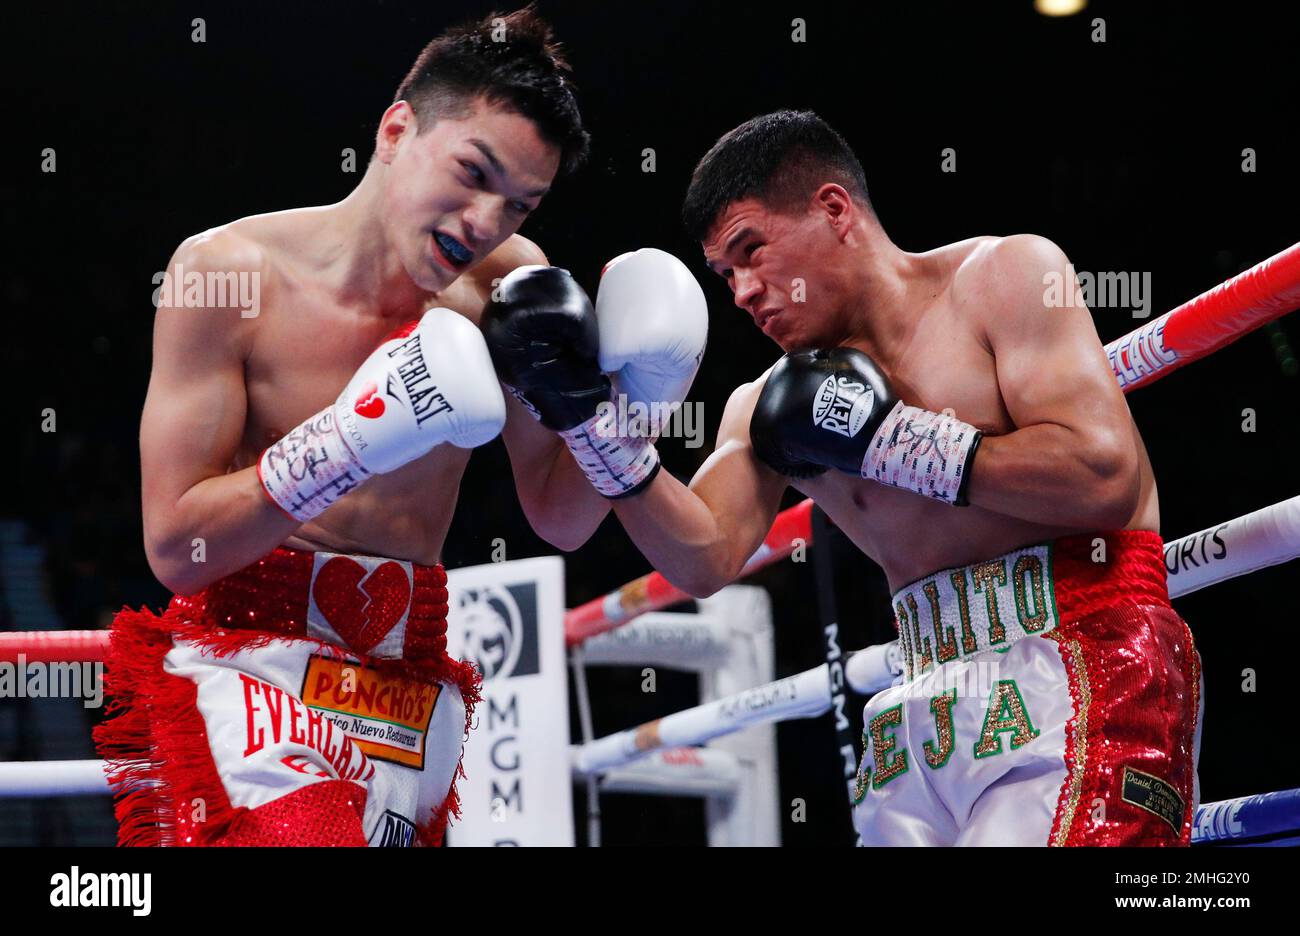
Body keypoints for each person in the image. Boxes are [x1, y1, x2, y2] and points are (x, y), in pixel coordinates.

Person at [509, 110, 1202, 845]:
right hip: (921, 706)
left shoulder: (1003, 276)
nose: (742, 291)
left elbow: (1102, 478)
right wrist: (594, 427)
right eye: (725, 274)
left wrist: (889, 441)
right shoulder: (764, 404)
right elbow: (704, 558)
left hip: (1081, 651)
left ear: (834, 209)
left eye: (752, 251)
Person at [95, 7, 606, 847]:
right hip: (252, 661)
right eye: (473, 173)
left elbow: (562, 516)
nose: (486, 222)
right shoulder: (227, 275)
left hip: (407, 685)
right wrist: (348, 438)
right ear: (397, 129)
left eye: (519, 205)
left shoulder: (509, 283)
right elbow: (174, 545)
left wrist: (627, 399)